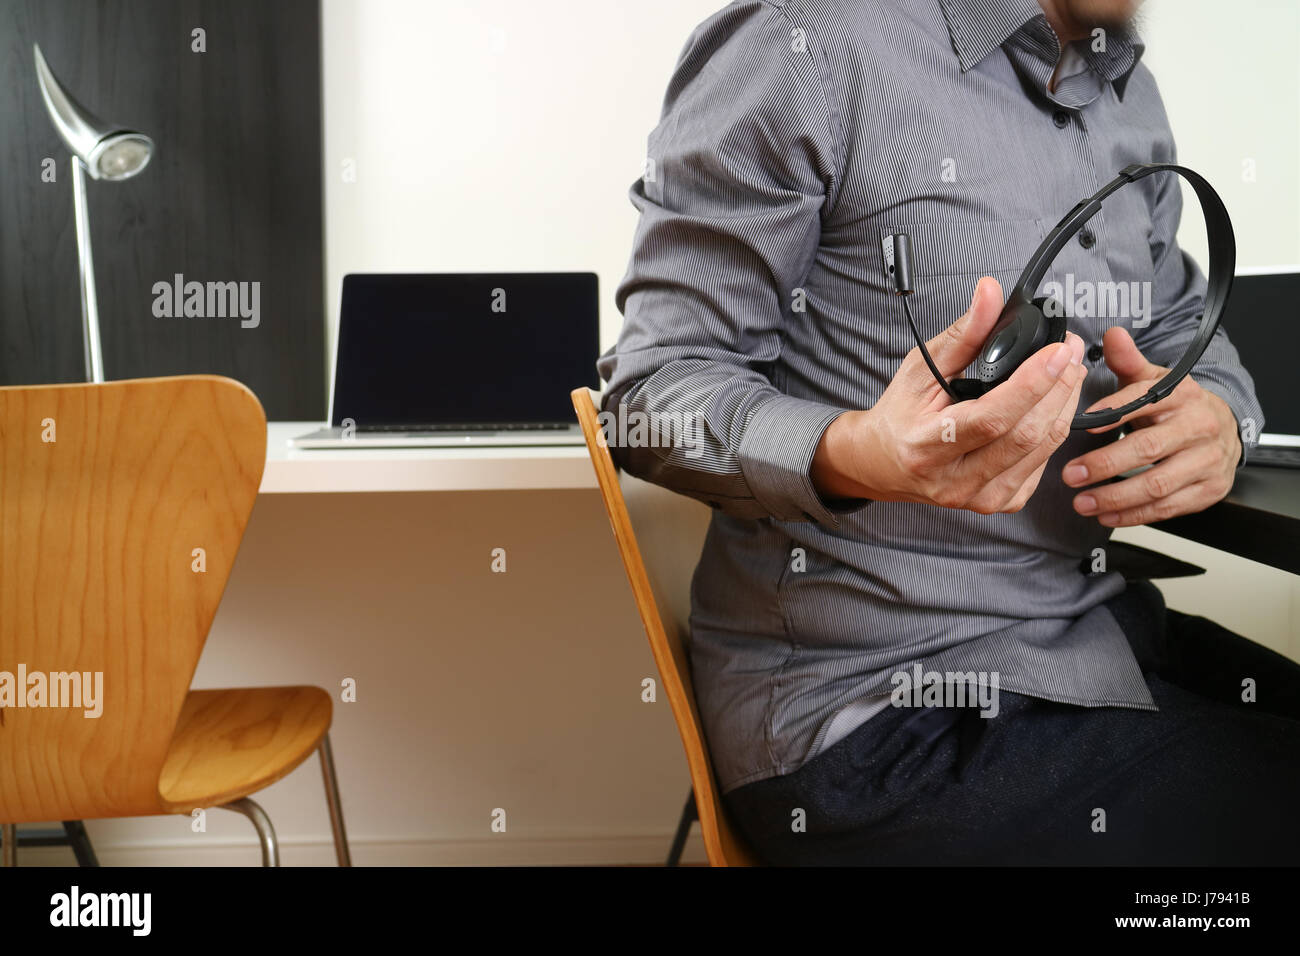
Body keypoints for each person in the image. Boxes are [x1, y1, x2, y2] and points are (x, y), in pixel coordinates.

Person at [596, 0, 1300, 864]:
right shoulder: (801, 42)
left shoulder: (1130, 92)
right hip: (878, 719)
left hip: (1096, 632)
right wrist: (858, 454)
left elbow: (1182, 323)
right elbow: (651, 392)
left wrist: (1223, 412)